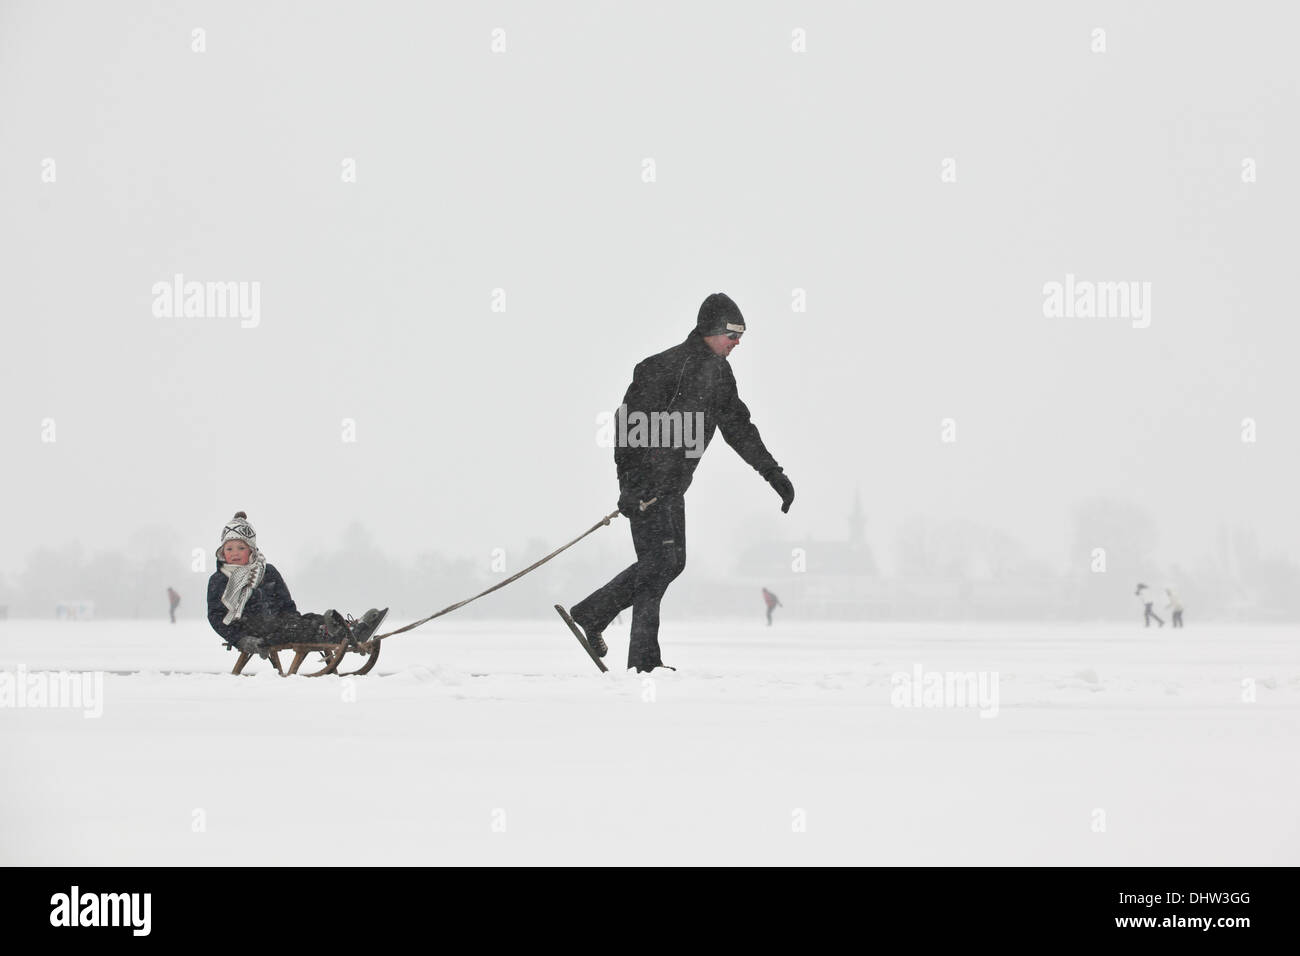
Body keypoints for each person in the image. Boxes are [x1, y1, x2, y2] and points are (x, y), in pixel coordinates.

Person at [567, 293, 795, 672]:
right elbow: (627, 430)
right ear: (711, 329)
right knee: (660, 562)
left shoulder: (720, 374)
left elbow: (738, 428)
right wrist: (629, 484)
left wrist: (773, 473)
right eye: (732, 333)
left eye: (742, 335)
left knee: (669, 563)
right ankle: (640, 658)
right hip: (645, 488)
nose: (738, 342)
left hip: (673, 488)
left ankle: (596, 615)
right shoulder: (661, 367)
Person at [205, 511, 386, 657]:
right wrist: (241, 639)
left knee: (308, 620)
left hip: (279, 623)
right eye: (229, 549)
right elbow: (216, 617)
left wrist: (293, 618)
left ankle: (348, 628)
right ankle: (338, 633)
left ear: (251, 549)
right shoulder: (220, 579)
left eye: (241, 548)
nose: (234, 553)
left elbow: (285, 602)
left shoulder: (267, 571)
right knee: (294, 629)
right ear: (222, 551)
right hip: (252, 630)